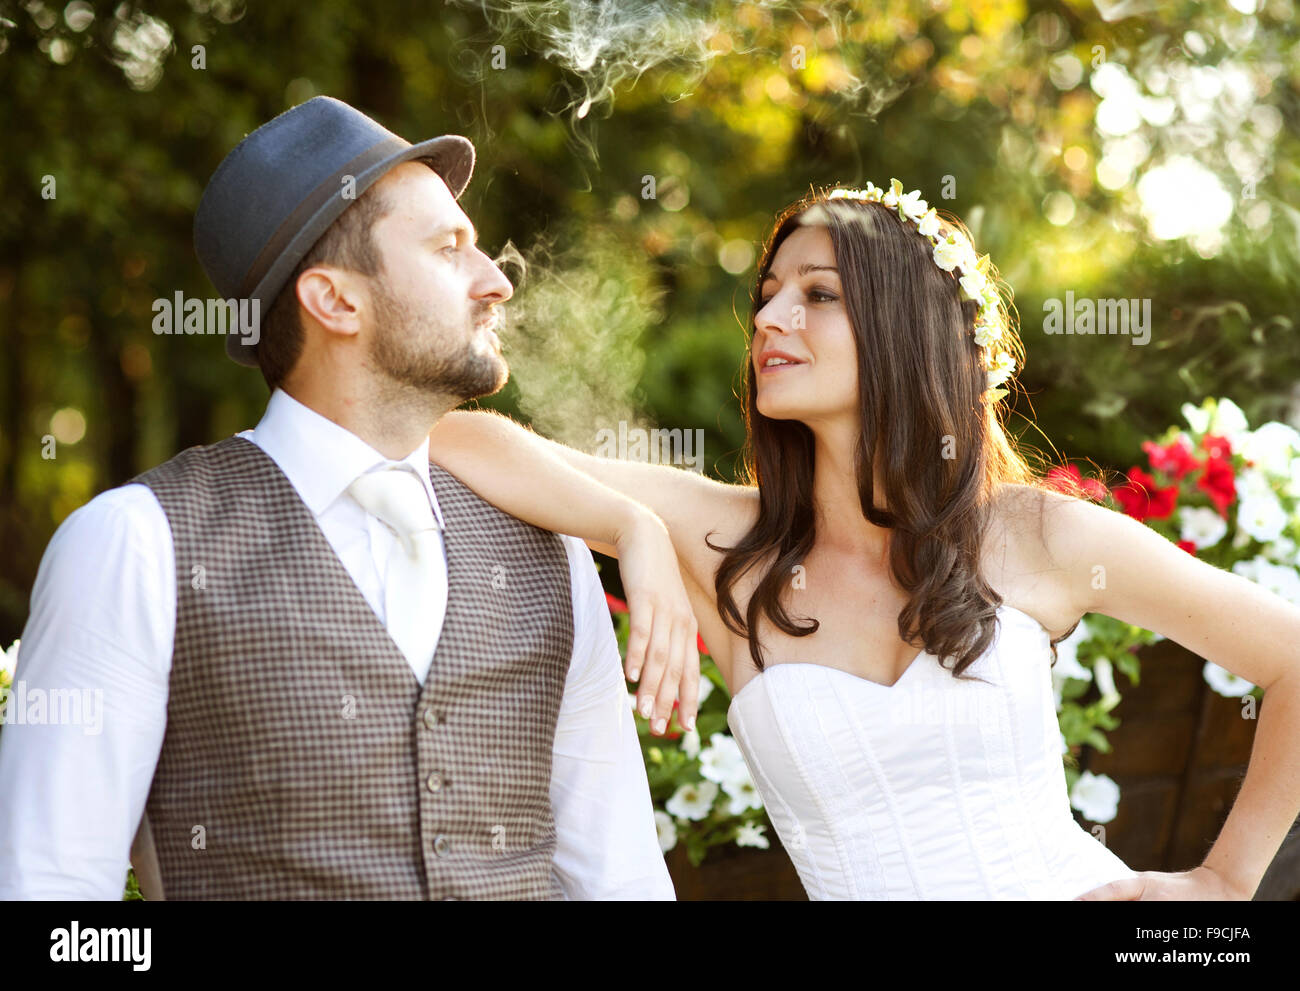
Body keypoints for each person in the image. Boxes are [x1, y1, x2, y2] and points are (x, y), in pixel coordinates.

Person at [427, 180, 1300, 900]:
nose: (770, 318)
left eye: (818, 294)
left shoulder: (1035, 534)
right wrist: (633, 528)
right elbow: (457, 437)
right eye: (768, 295)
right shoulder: (730, 542)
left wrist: (1223, 882)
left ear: (902, 324)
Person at [0, 96, 699, 900]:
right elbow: (51, 895)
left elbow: (621, 880)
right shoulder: (134, 545)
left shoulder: (549, 552)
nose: (496, 281)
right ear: (335, 301)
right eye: (449, 250)